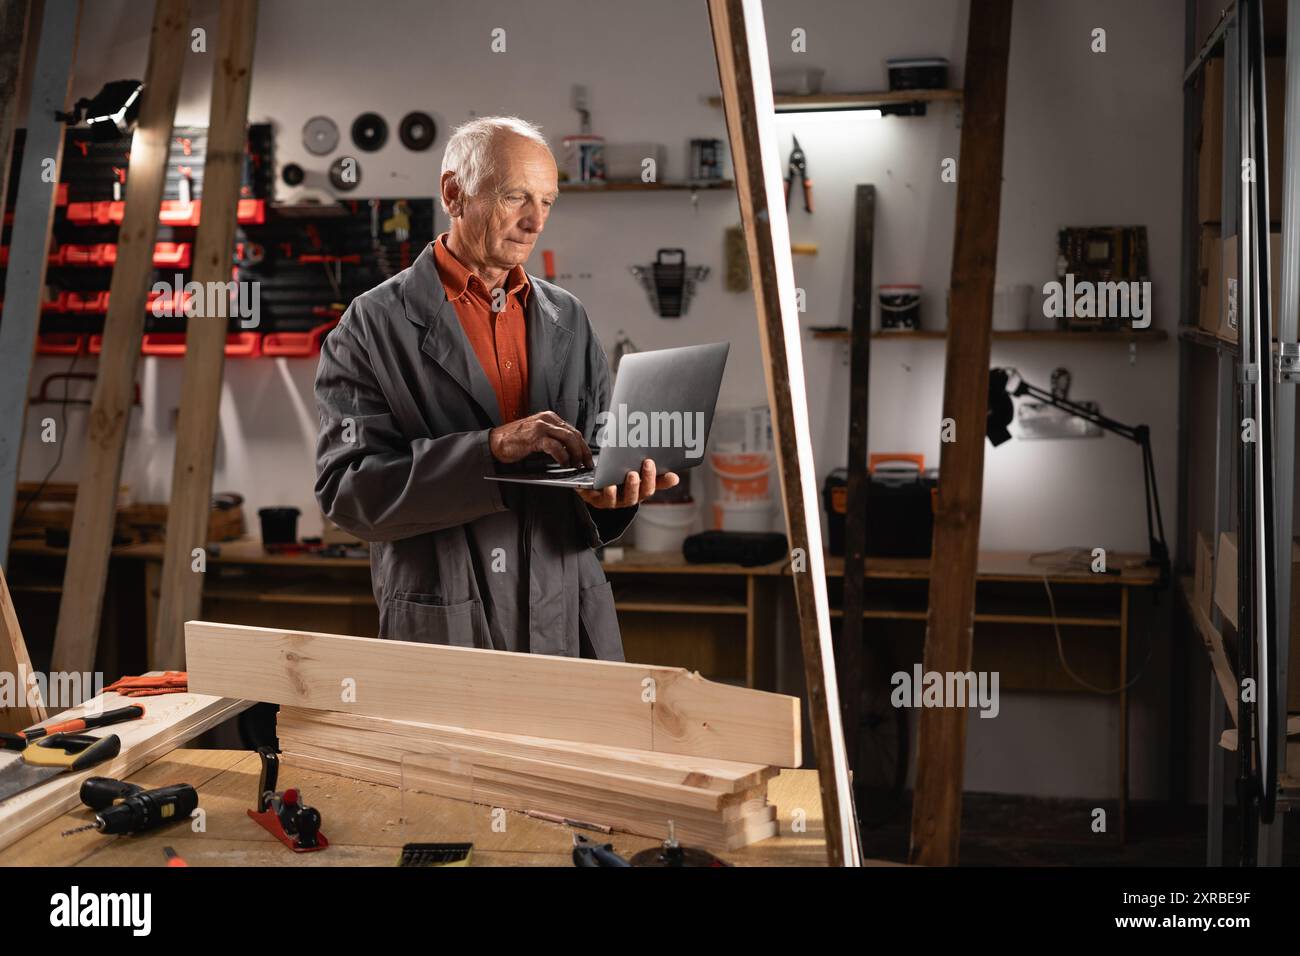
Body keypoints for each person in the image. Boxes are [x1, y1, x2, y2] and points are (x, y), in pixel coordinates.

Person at [314, 116, 677, 660]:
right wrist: (490, 449)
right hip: (448, 620)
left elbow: (595, 454)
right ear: (454, 193)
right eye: (515, 197)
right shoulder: (371, 326)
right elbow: (348, 493)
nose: (535, 221)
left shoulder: (568, 318)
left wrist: (609, 495)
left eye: (547, 202)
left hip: (567, 618)